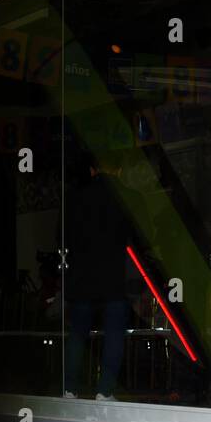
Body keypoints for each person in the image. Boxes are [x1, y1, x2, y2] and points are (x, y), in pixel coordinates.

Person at [63, 146, 130, 401]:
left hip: (81, 277)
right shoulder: (127, 198)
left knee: (78, 333)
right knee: (114, 333)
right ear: (119, 169)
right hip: (114, 278)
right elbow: (140, 237)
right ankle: (105, 390)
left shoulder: (75, 198)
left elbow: (62, 235)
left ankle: (70, 387)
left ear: (92, 168)